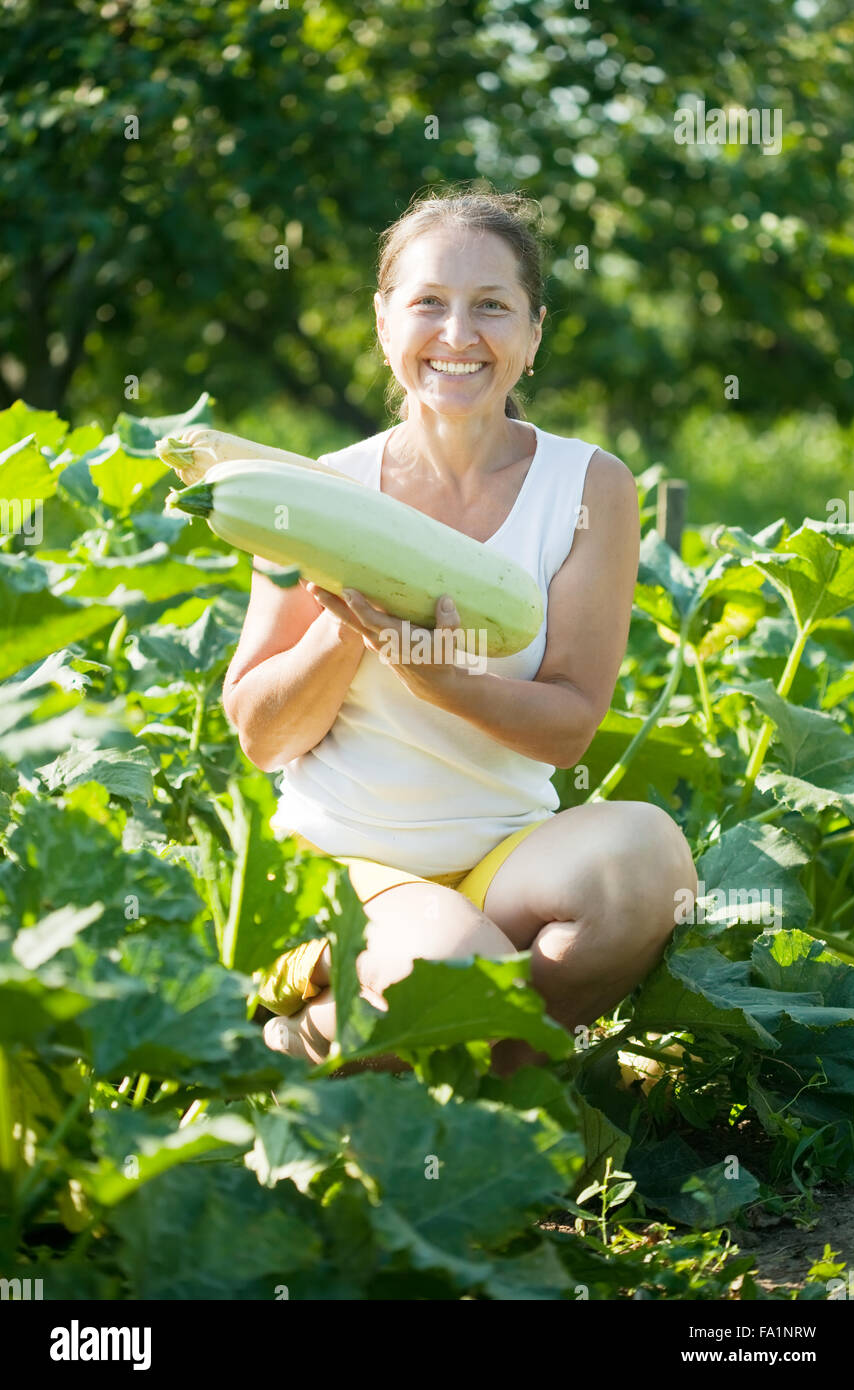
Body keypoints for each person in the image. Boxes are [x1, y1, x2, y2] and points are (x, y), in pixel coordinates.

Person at [180, 187, 698, 1075]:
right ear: (385, 323)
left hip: (508, 855)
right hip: (352, 866)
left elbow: (571, 723)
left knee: (648, 867)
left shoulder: (591, 487)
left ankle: (390, 1053)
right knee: (462, 973)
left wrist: (444, 682)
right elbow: (262, 736)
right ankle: (355, 1031)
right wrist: (348, 627)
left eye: (491, 306)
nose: (458, 334)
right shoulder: (304, 490)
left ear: (533, 334)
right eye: (428, 303)